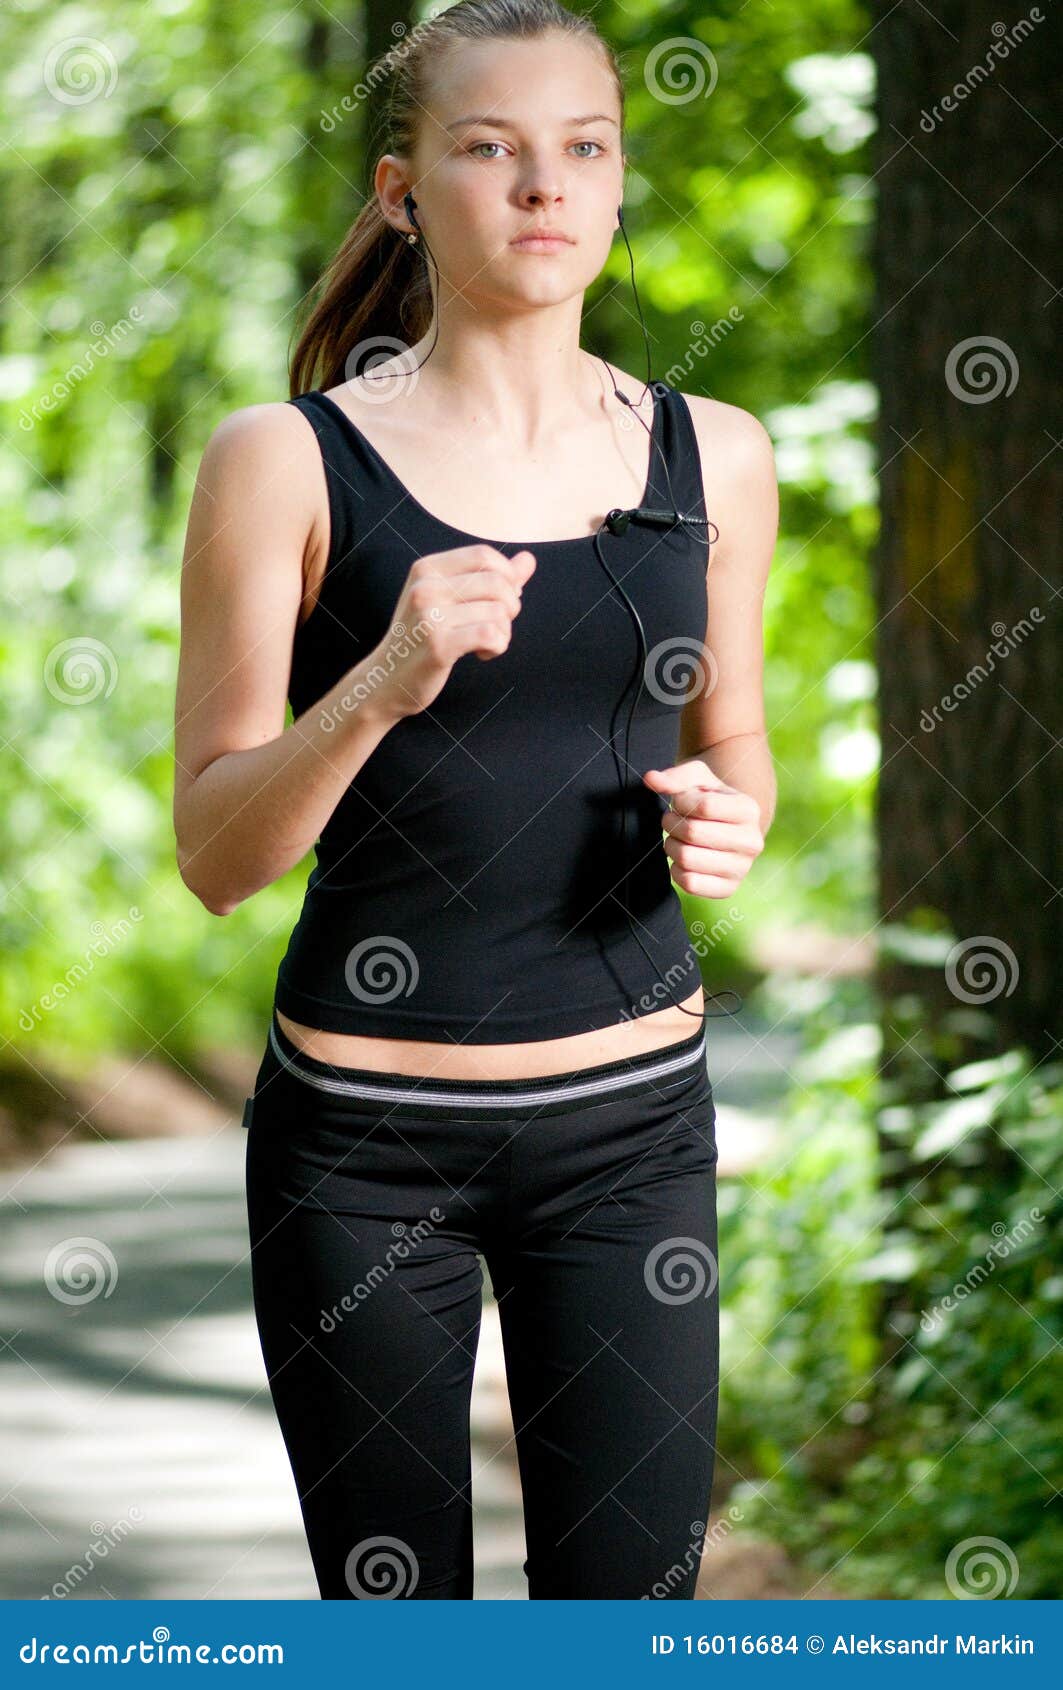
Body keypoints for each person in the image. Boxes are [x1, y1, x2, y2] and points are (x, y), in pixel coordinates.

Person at [173, 0, 777, 1600]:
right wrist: (378, 677)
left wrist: (737, 813)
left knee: (628, 1628)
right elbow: (218, 856)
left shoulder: (714, 456)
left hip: (635, 1132)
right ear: (401, 187)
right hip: (364, 1147)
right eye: (489, 148)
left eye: (582, 148)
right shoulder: (284, 463)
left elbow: (741, 744)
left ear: (620, 179)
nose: (542, 188)